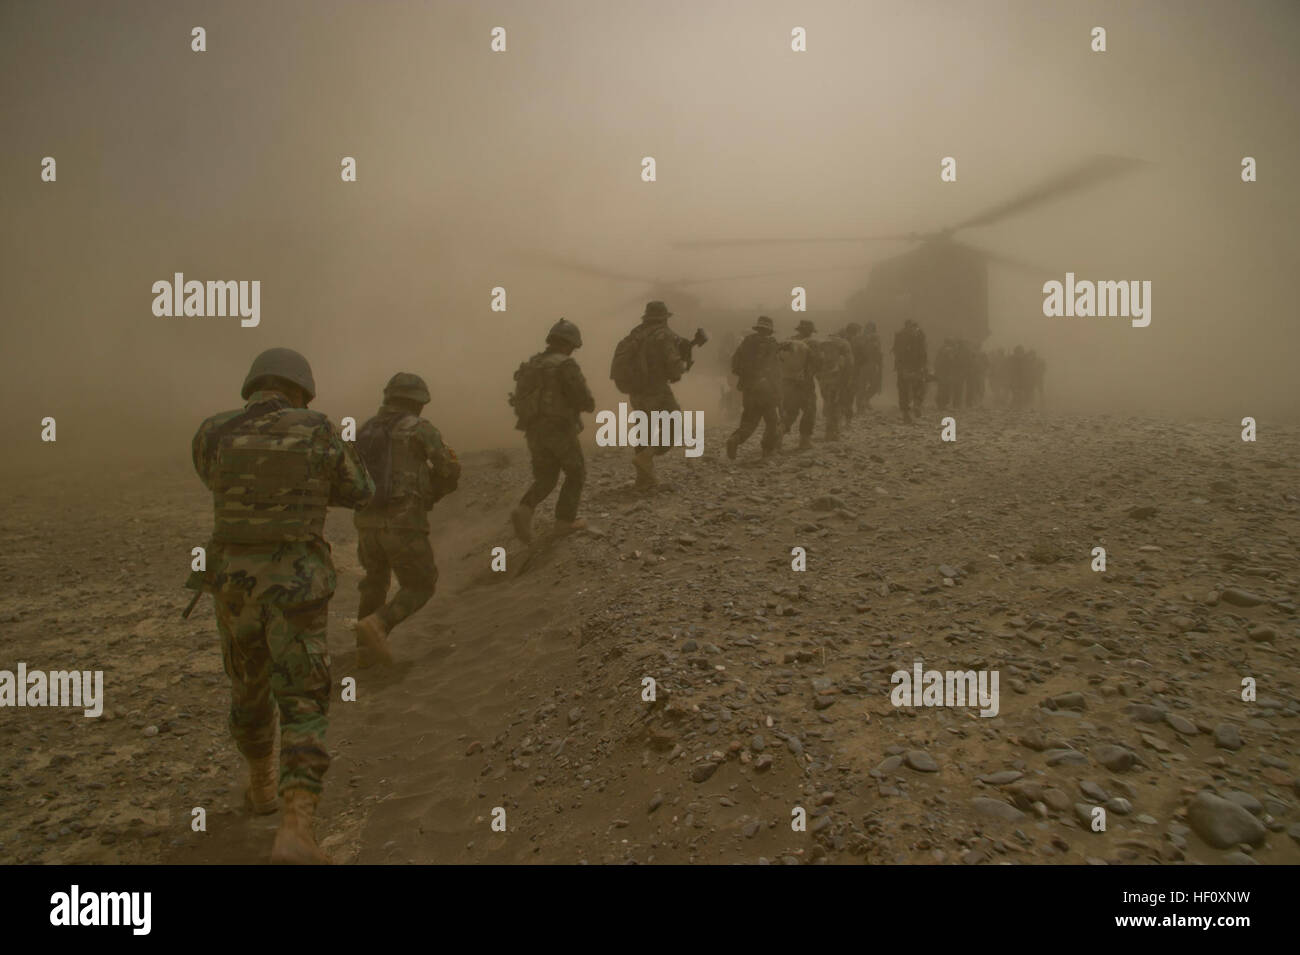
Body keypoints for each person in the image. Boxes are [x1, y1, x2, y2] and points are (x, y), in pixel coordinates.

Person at [188, 347, 373, 864]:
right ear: (302, 389)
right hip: (297, 589)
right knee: (303, 700)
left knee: (247, 689)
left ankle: (261, 782)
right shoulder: (318, 429)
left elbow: (217, 481)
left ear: (253, 386)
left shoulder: (213, 431)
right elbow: (361, 490)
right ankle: (296, 826)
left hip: (234, 587)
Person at [353, 373, 460, 667]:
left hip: (366, 523)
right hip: (403, 522)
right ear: (419, 403)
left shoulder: (364, 430)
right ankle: (379, 625)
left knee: (374, 580)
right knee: (421, 585)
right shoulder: (419, 429)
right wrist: (430, 496)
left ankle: (365, 650)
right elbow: (449, 470)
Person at [510, 318, 596, 542]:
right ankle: (564, 523)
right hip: (559, 428)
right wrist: (587, 404)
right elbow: (583, 398)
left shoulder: (533, 364)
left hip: (532, 429)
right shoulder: (565, 364)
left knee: (546, 477)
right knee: (576, 473)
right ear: (569, 344)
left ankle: (524, 509)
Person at [725, 315, 782, 459]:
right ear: (769, 330)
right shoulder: (772, 343)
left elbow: (735, 364)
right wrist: (776, 389)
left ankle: (735, 439)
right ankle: (768, 451)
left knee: (749, 420)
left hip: (748, 389)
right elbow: (774, 369)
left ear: (758, 328)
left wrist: (746, 378)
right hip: (765, 389)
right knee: (772, 421)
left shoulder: (746, 341)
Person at [779, 319, 820, 449]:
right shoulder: (812, 343)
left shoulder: (787, 342)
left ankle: (777, 437)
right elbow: (817, 363)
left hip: (786, 382)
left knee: (790, 411)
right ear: (810, 331)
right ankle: (804, 441)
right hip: (805, 383)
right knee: (810, 410)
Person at [892, 319, 928, 424]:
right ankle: (917, 404)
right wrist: (923, 366)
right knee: (920, 386)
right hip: (917, 366)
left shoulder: (899, 335)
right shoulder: (919, 334)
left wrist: (899, 367)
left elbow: (896, 352)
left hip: (903, 367)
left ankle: (905, 414)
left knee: (903, 390)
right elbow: (923, 352)